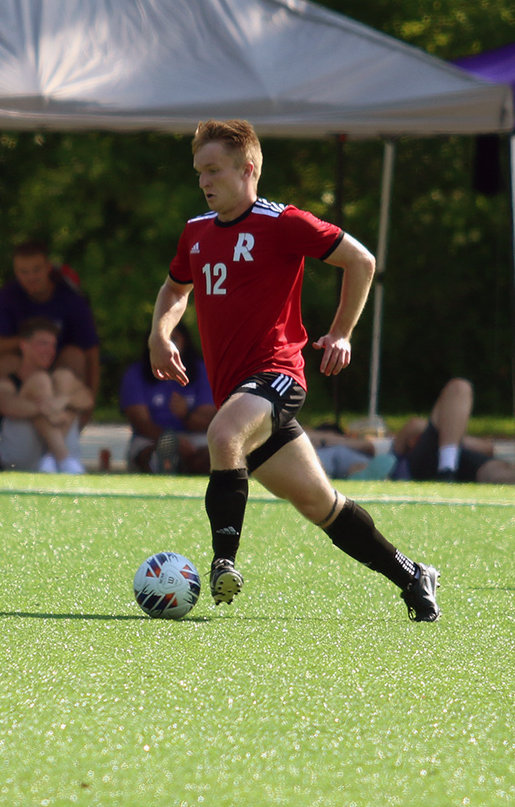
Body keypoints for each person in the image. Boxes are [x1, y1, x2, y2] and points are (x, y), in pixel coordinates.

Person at [149, 119, 439, 621]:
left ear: (249, 169)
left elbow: (361, 261)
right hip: (238, 392)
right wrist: (159, 334)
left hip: (278, 375)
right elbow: (176, 289)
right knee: (320, 504)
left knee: (222, 435)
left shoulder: (282, 222)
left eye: (214, 170)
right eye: (199, 172)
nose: (204, 182)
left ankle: (223, 563)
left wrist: (342, 331)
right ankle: (412, 574)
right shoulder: (196, 232)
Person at [0, 241, 102, 402]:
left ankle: (70, 422)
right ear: (16, 272)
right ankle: (9, 423)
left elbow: (91, 353)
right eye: (23, 272)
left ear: (48, 267)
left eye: (36, 270)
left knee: (75, 356)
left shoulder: (71, 299)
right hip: (22, 367)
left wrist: (90, 402)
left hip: (61, 370)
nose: (31, 277)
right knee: (5, 363)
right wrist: (31, 342)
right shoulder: (6, 297)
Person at [395, 378, 515, 485]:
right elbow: (413, 426)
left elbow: (488, 448)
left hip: (462, 465)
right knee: (459, 387)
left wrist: (452, 436)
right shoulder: (388, 451)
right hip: (419, 464)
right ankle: (446, 470)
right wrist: (451, 433)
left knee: (495, 472)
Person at [0, 319, 93, 473]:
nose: (50, 350)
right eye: (43, 343)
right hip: (21, 455)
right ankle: (63, 458)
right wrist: (50, 408)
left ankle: (52, 457)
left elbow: (87, 399)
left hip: (54, 461)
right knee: (41, 381)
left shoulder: (59, 382)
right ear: (24, 345)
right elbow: (7, 405)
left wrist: (63, 400)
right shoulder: (5, 383)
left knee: (64, 377)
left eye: (53, 345)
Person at [122, 325, 216, 475]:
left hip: (196, 439)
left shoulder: (203, 371)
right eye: (163, 340)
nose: (169, 345)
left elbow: (209, 420)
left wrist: (186, 415)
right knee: (147, 455)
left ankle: (182, 467)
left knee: (212, 456)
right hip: (152, 439)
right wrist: (171, 441)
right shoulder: (136, 373)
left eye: (174, 338)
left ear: (185, 341)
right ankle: (166, 464)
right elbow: (140, 422)